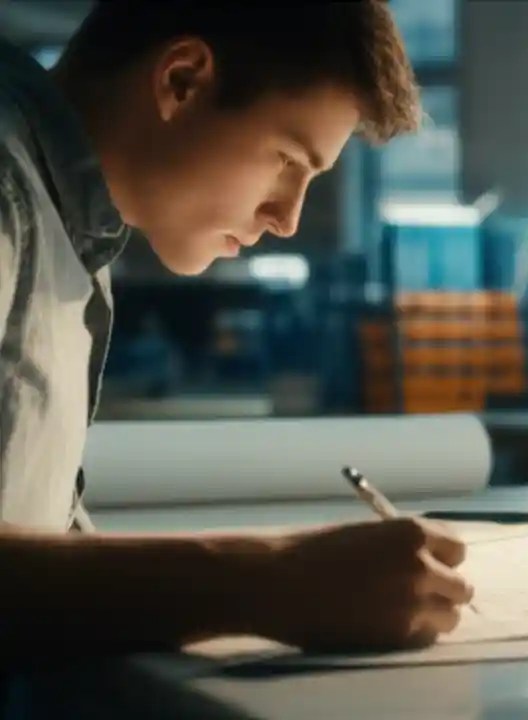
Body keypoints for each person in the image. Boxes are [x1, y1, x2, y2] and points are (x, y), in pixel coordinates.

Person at [0, 1, 474, 667]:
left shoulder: (74, 230)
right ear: (182, 82)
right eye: (285, 159)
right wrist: (268, 580)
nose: (286, 218)